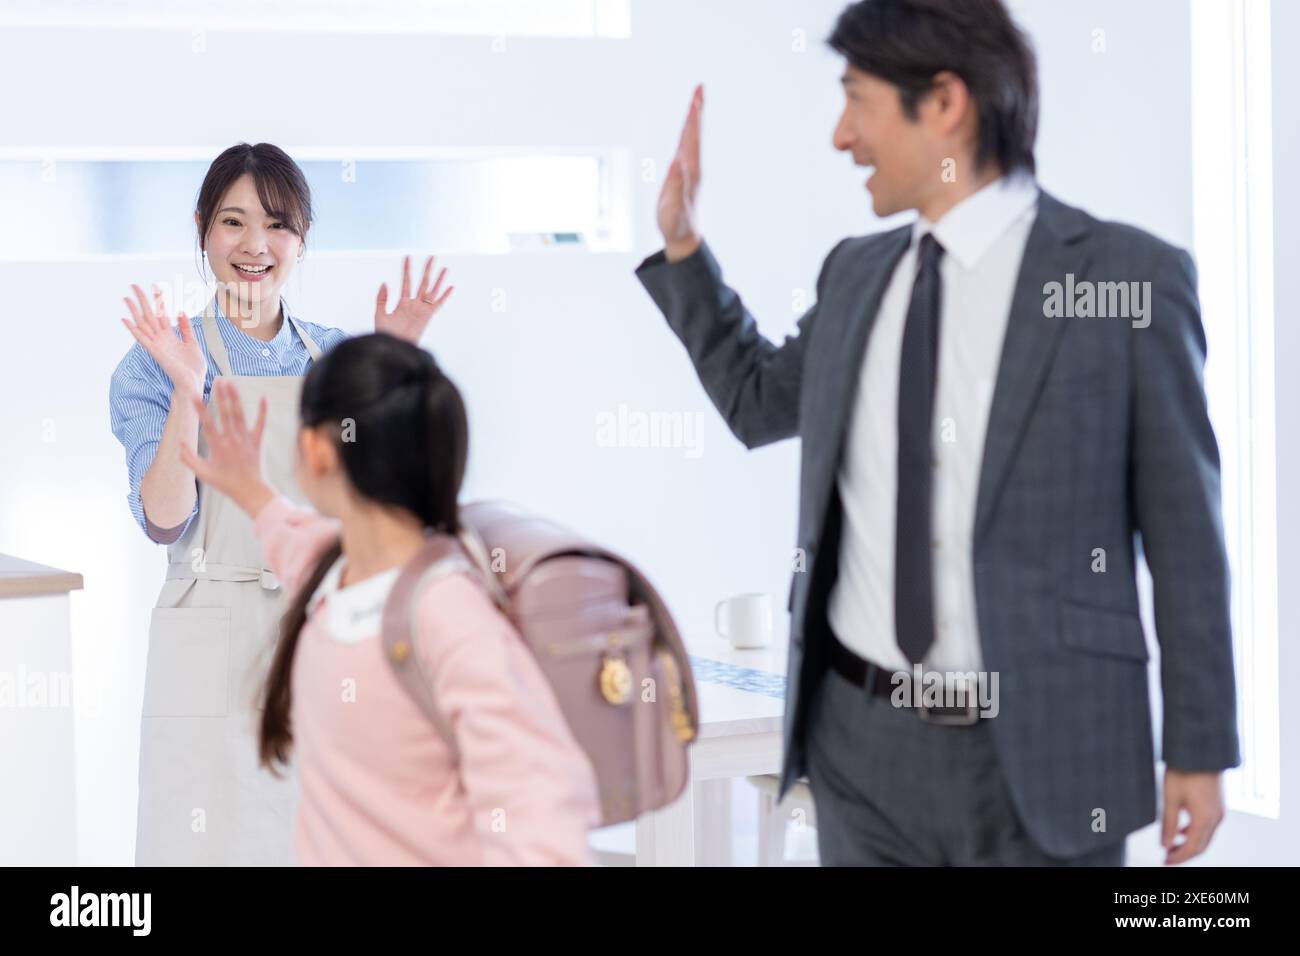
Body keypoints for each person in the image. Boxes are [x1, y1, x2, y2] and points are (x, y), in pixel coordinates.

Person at [635, 0, 1239, 866]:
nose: (842, 137)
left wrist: (1200, 742)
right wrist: (685, 246)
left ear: (945, 103)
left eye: (858, 100)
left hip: (1046, 757)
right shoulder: (855, 276)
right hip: (861, 750)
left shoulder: (1127, 281)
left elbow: (1186, 533)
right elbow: (757, 401)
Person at [110, 142, 453, 865]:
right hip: (208, 637)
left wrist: (389, 372)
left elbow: (383, 516)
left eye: (277, 224)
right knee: (199, 839)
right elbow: (165, 517)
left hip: (317, 632)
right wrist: (186, 388)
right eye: (233, 222)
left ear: (302, 239)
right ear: (202, 228)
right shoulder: (152, 358)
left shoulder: (335, 358)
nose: (254, 246)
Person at [181, 335, 600, 865]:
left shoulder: (447, 615)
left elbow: (543, 810)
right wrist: (252, 492)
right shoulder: (341, 570)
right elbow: (294, 540)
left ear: (316, 449)